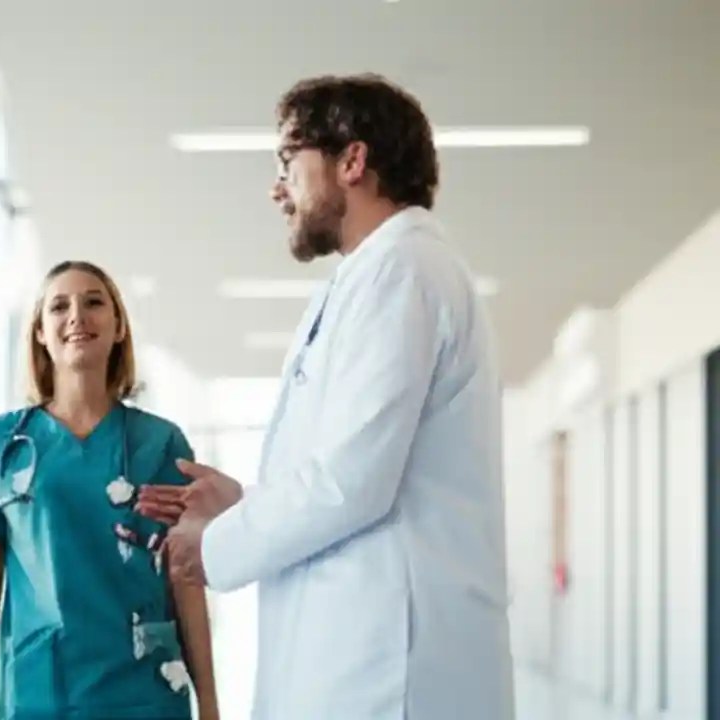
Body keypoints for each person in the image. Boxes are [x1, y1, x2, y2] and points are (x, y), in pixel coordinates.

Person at [136, 74, 514, 719]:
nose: (276, 187)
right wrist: (245, 507)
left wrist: (218, 545)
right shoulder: (375, 274)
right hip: (362, 651)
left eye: (288, 160)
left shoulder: (403, 270)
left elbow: (353, 479)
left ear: (353, 161)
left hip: (388, 667)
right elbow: (353, 467)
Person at [0, 261, 220, 720]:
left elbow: (185, 581)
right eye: (59, 306)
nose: (77, 316)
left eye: (94, 302)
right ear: (40, 332)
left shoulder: (162, 445)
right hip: (39, 694)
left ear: (118, 327)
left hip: (144, 693)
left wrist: (211, 707)